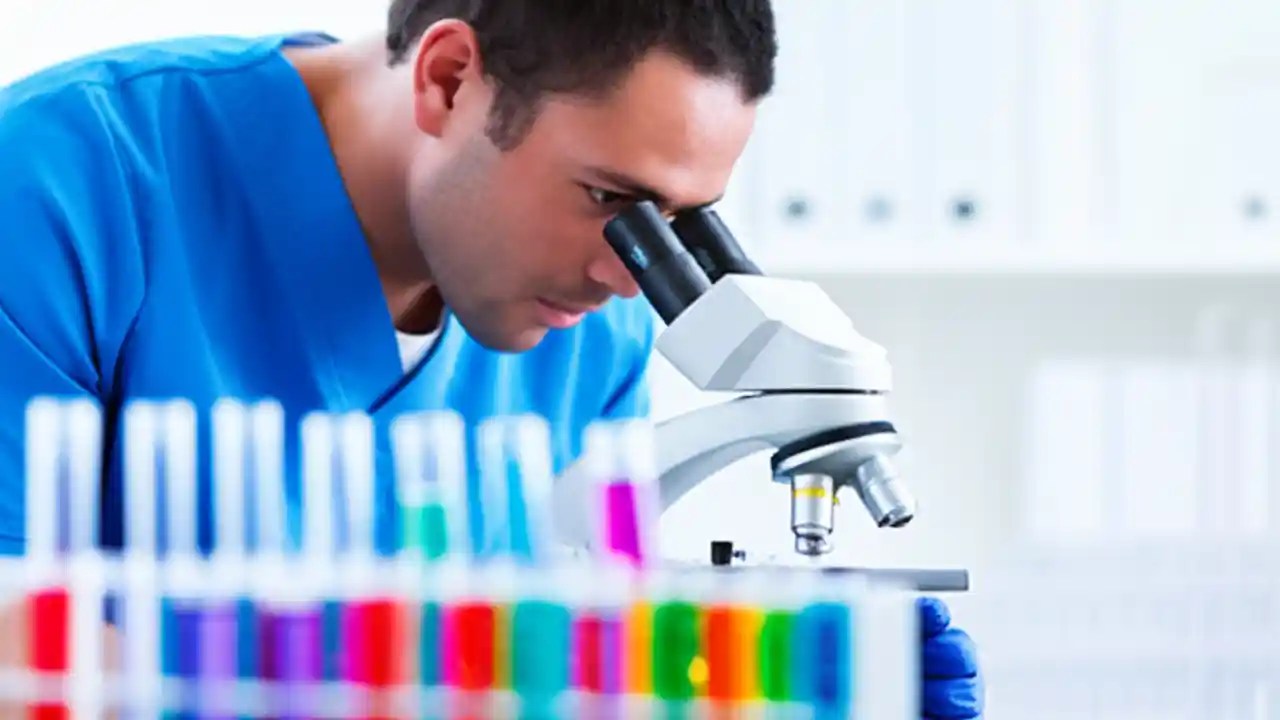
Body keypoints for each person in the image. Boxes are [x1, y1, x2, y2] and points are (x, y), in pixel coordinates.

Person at [0, 1, 981, 715]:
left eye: (674, 225)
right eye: (610, 201)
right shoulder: (63, 186)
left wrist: (736, 678)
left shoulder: (593, 325)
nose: (629, 276)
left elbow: (558, 659)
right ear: (448, 78)